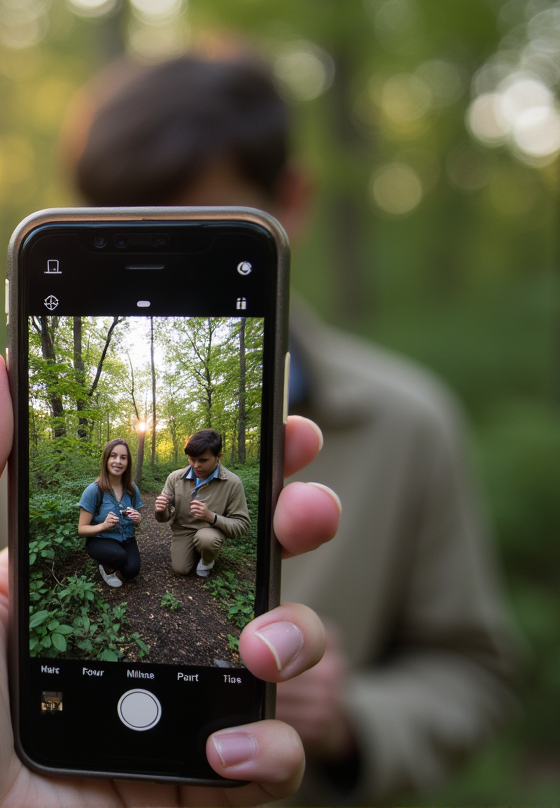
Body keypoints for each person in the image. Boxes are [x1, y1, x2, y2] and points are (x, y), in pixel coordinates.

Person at [57, 53, 520, 802]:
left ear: (290, 201)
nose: (158, 259)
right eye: (111, 226)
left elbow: (475, 672)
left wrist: (347, 718)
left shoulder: (410, 423)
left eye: (194, 225)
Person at [0, 349, 343, 806]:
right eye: (121, 455)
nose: (194, 469)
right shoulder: (139, 482)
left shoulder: (221, 484)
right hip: (136, 539)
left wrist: (207, 520)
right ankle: (162, 562)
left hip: (200, 535)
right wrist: (142, 517)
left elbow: (239, 524)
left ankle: (198, 558)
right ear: (113, 458)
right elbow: (138, 516)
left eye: (202, 463)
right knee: (147, 559)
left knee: (189, 549)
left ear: (216, 457)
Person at [154, 428, 251, 578]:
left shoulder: (232, 483)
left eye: (203, 460)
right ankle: (194, 550)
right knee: (180, 569)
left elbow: (242, 526)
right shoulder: (175, 478)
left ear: (218, 457)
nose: (196, 465)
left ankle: (207, 560)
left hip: (210, 530)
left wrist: (211, 516)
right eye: (191, 459)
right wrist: (160, 510)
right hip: (183, 530)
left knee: (207, 539)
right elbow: (163, 518)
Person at [76, 438, 144, 586]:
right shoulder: (94, 490)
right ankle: (105, 567)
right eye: (113, 456)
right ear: (106, 459)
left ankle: (118, 564)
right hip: (100, 539)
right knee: (118, 556)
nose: (118, 461)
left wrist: (138, 520)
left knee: (133, 571)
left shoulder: (132, 489)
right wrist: (104, 525)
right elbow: (81, 529)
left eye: (123, 458)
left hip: (126, 538)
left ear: (128, 462)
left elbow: (137, 518)